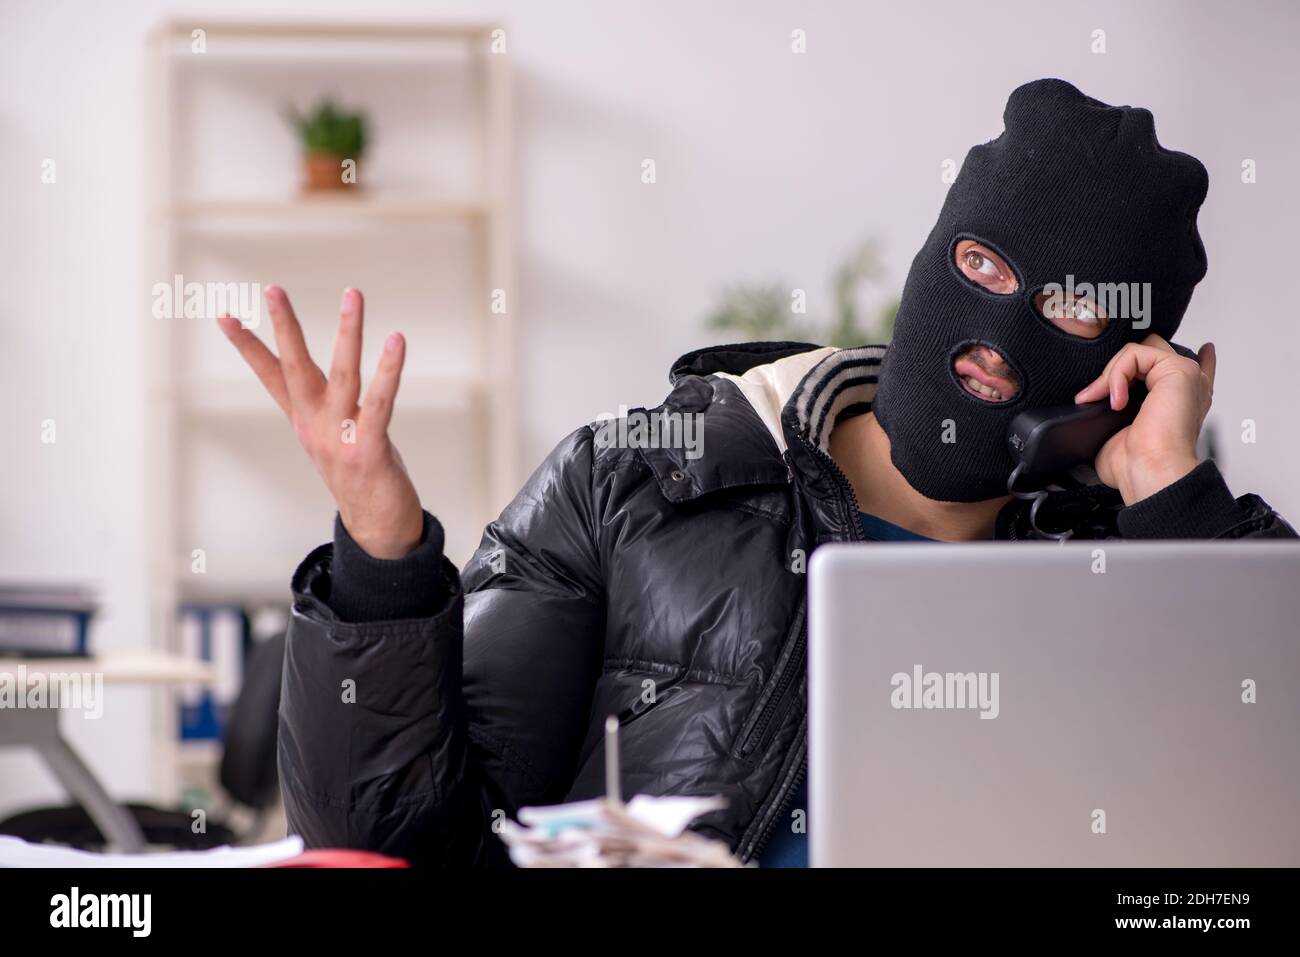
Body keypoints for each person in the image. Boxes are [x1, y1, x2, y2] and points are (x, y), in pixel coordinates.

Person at [217, 79, 1295, 867]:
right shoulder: (636, 481)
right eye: (982, 267)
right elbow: (390, 839)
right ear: (931, 264)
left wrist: (1176, 500)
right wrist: (380, 560)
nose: (995, 341)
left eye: (1072, 307)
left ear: (1133, 365)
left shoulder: (1141, 565)